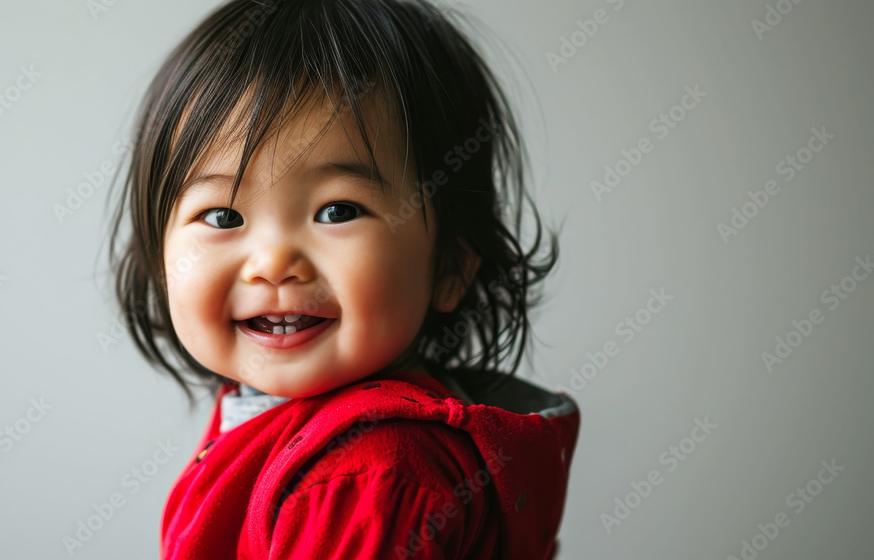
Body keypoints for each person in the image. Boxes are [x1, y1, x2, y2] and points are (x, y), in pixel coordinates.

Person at [105, 0, 580, 558]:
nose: (273, 263)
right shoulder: (273, 416)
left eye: (338, 211)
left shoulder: (368, 476)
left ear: (450, 264)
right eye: (223, 216)